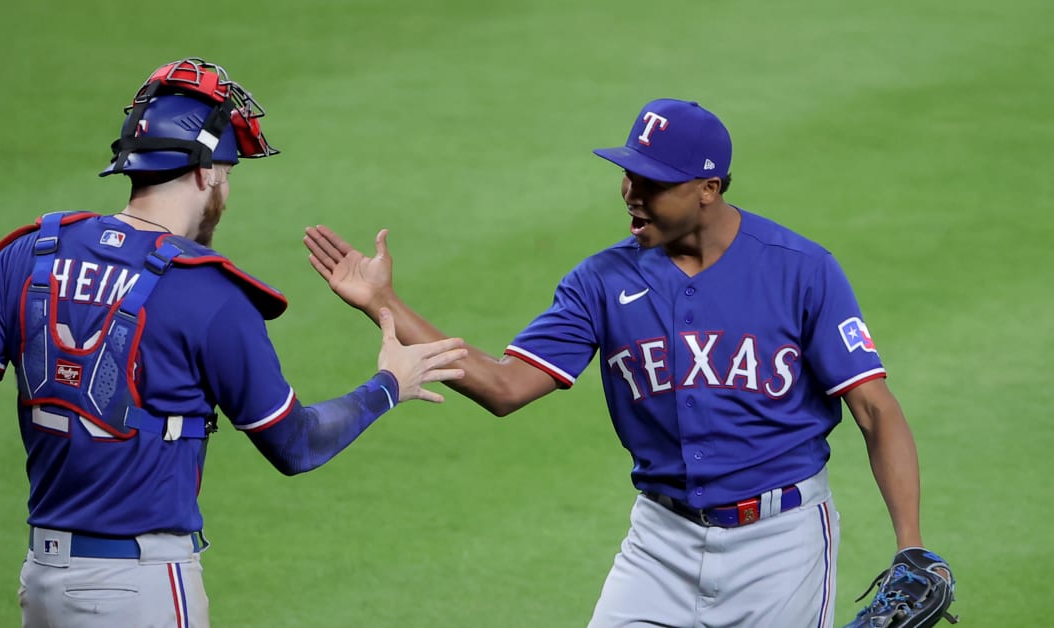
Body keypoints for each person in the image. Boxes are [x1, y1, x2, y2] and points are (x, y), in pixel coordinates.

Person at [0, 57, 466, 628]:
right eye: (226, 172)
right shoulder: (209, 294)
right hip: (140, 588)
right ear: (206, 173)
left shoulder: (29, 256)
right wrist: (390, 383)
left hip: (42, 582)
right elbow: (294, 444)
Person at [304, 98, 953, 627]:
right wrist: (384, 304)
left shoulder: (801, 271)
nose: (630, 192)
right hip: (660, 543)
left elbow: (874, 408)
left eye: (651, 183)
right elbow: (504, 386)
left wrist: (910, 545)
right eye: (628, 174)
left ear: (708, 188)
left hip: (780, 547)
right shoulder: (601, 281)